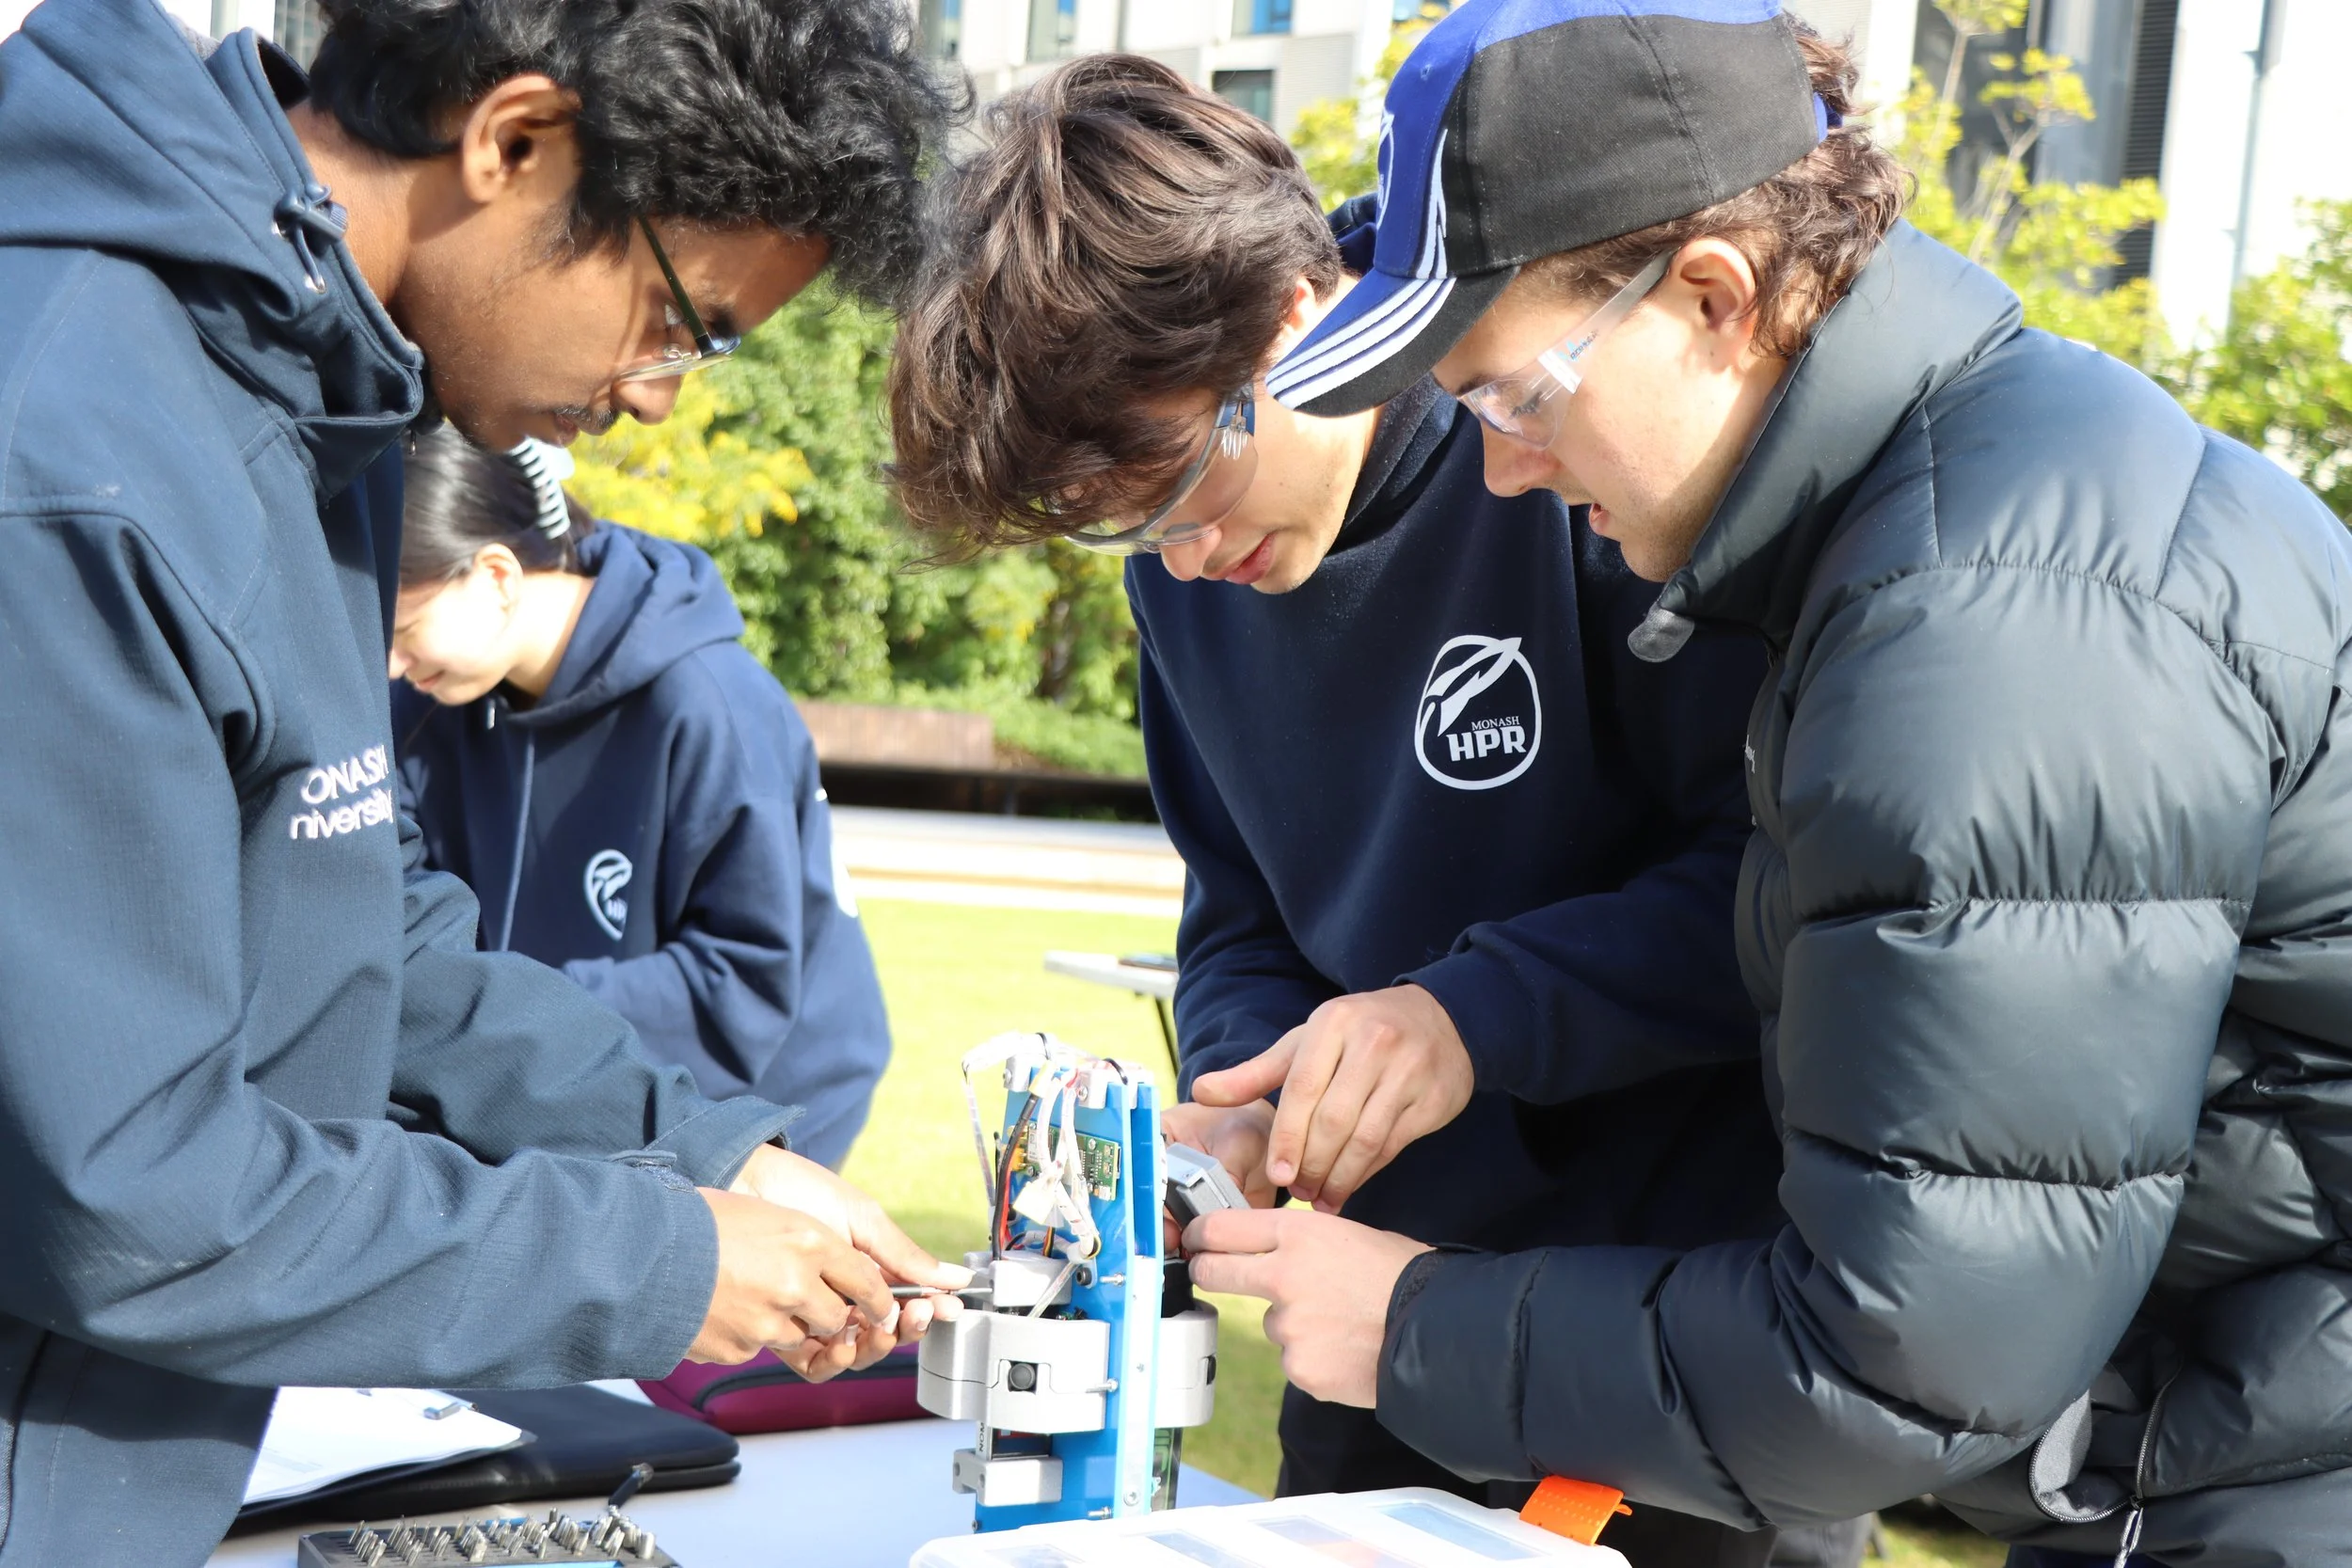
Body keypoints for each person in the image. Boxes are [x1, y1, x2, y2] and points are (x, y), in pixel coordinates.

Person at [1178, 1, 2352, 1564]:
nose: (1508, 467)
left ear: (1719, 296)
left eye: (1514, 395)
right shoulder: (1947, 514)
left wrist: (1415, 1323)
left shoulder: (1980, 630)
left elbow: (1905, 1354)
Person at [0, 0, 965, 1558]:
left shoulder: (330, 397)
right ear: (514, 143)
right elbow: (131, 1195)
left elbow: (355, 919)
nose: (664, 393)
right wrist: (650, 1256)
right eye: (685, 323)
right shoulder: (70, 452)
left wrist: (706, 1147)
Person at [889, 56, 1871, 1568]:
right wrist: (1246, 1078)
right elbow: (1240, 908)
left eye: (1180, 481)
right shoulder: (1190, 578)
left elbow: (1786, 876)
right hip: (1364, 1334)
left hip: (1678, 1333)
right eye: (1124, 531)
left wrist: (1467, 1016)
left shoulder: (1573, 455)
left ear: (1296, 312)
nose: (1180, 554)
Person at [390, 427, 890, 1170]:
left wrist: (500, 1013)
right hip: (569, 1101)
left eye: (404, 630)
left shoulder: (710, 705)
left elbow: (740, 985)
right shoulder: (433, 704)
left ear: (497, 577)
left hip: (762, 1117)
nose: (393, 665)